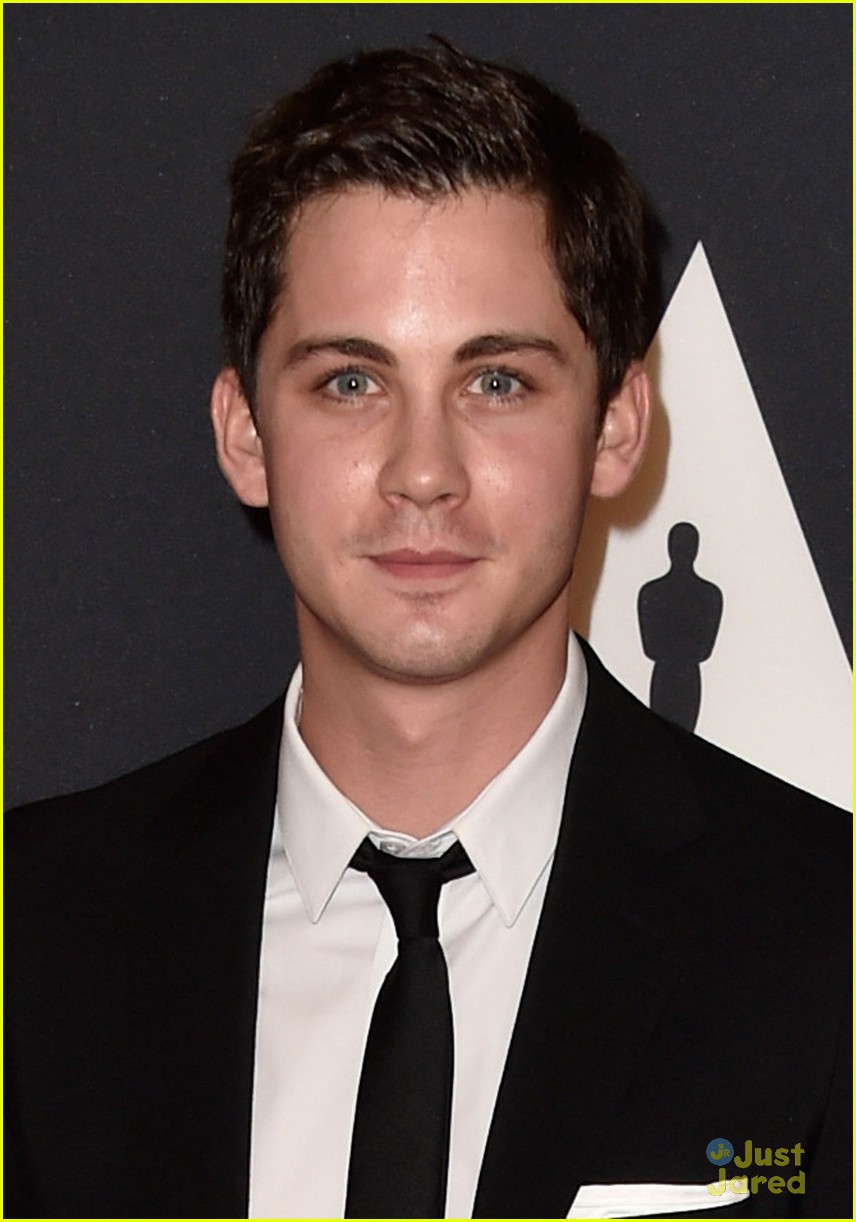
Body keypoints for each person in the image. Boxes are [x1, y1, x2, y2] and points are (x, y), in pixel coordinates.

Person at [5, 42, 849, 1221]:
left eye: (495, 381)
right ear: (245, 433)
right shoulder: (32, 935)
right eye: (350, 381)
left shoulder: (826, 942)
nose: (422, 473)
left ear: (614, 427)